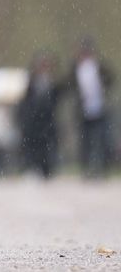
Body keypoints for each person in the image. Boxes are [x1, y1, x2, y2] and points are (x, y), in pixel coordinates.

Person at [70, 38, 115, 179]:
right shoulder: (76, 69)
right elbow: (69, 85)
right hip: (84, 112)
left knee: (101, 140)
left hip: (99, 110)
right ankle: (87, 170)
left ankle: (101, 169)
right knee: (85, 143)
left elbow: (111, 78)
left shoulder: (99, 67)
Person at [18, 51, 63, 179]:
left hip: (48, 121)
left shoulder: (53, 82)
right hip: (34, 121)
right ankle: (35, 168)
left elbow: (57, 97)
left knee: (48, 147)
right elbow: (26, 101)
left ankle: (47, 170)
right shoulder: (31, 81)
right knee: (35, 147)